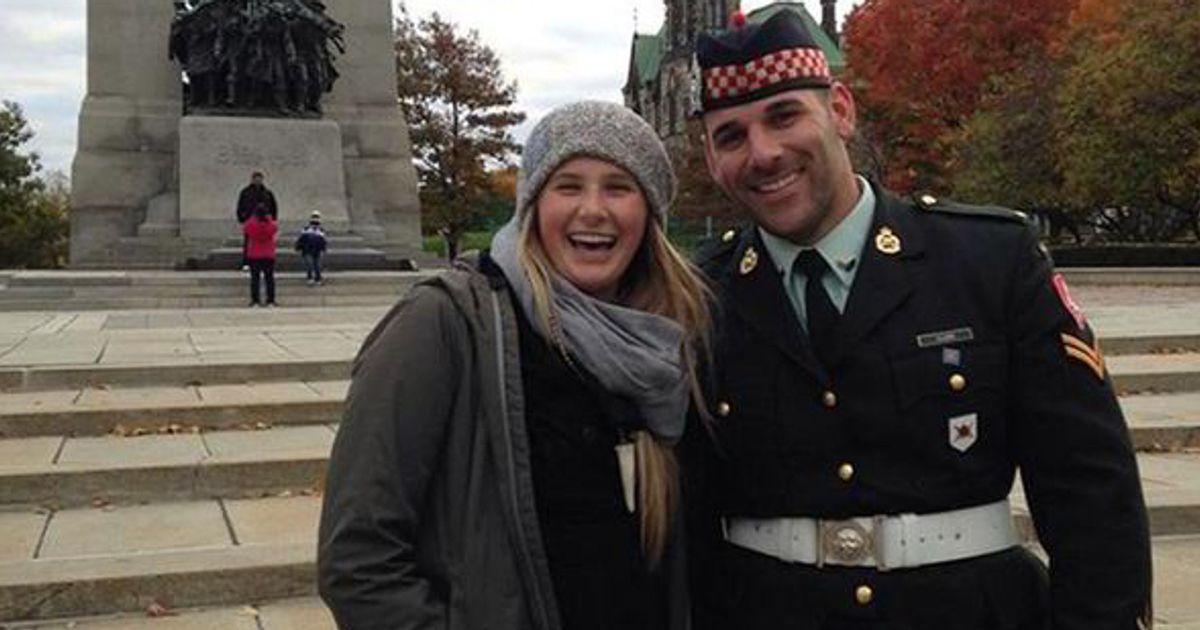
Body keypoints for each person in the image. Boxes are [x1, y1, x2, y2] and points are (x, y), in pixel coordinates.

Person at [684, 10, 1152, 630]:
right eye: (731, 136)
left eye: (784, 116)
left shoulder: (989, 259)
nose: (763, 153)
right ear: (713, 158)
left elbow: (1092, 495)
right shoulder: (698, 295)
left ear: (841, 111)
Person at [318, 101, 711, 630]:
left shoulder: (668, 344)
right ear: (532, 204)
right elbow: (359, 560)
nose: (592, 209)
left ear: (650, 213)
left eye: (619, 187)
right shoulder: (444, 321)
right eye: (568, 185)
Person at [236, 171, 278, 268]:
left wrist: (273, 220)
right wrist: (242, 218)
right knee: (248, 242)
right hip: (251, 222)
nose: (258, 180)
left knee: (267, 242)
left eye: (259, 178)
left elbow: (273, 207)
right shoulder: (246, 192)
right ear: (252, 179)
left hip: (265, 222)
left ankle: (267, 261)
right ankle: (247, 262)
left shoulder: (267, 193)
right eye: (256, 178)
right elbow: (240, 205)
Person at [243, 202, 277, 307]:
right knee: (269, 278)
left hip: (254, 254)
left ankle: (255, 301)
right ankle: (270, 300)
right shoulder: (271, 224)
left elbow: (246, 229)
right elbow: (275, 228)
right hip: (268, 254)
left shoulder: (251, 224)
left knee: (255, 279)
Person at [295, 210, 327, 285]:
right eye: (313, 223)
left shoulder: (321, 231)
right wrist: (299, 248)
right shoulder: (306, 230)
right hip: (307, 250)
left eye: (317, 223)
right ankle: (310, 278)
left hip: (317, 251)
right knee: (310, 265)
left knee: (317, 265)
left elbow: (323, 242)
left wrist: (323, 249)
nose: (315, 225)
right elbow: (301, 240)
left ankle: (318, 278)